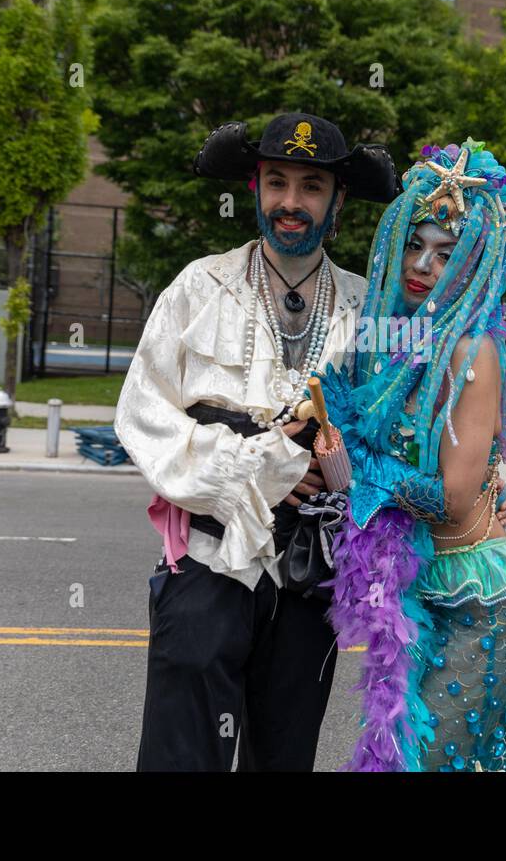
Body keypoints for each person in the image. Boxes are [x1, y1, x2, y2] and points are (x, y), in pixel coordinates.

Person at [114, 112, 398, 771]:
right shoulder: (198, 287)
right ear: (255, 189)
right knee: (183, 750)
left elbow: (391, 439)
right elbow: (142, 412)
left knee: (284, 752)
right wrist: (250, 470)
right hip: (212, 550)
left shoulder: (368, 308)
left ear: (338, 200)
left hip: (312, 568)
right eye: (277, 182)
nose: (290, 203)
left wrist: (335, 468)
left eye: (310, 186)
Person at [317, 138, 506, 772]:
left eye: (445, 253)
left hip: (486, 603)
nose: (423, 265)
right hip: (424, 589)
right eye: (414, 244)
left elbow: (451, 498)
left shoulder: (470, 353)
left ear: (472, 266)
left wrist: (355, 471)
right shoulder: (389, 348)